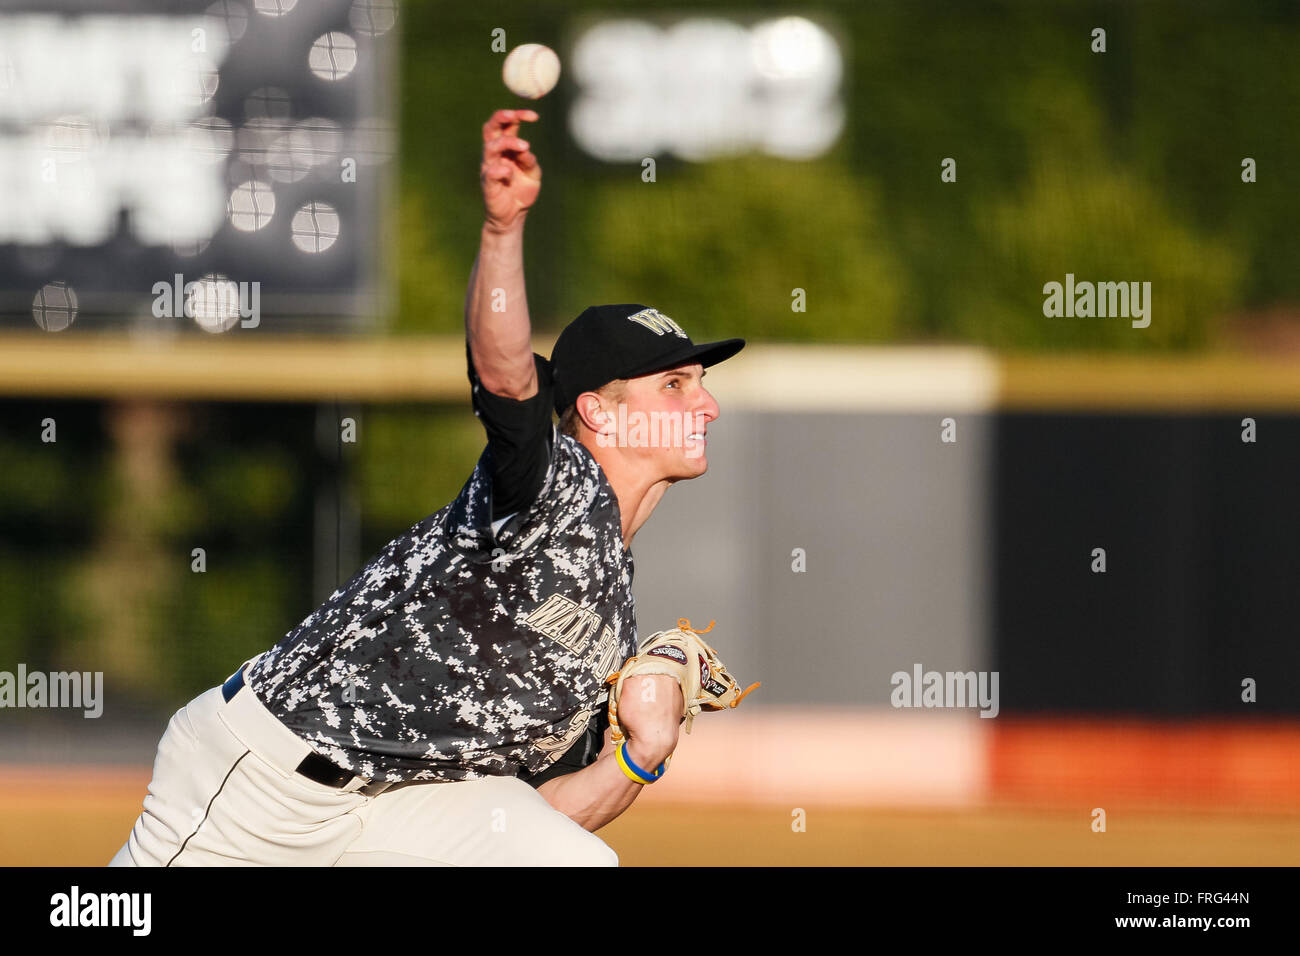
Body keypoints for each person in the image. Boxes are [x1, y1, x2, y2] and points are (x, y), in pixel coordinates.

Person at [108, 108, 744, 866]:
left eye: (700, 382)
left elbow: (533, 818)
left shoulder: (609, 612)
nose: (704, 403)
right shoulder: (550, 485)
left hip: (394, 818)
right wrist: (504, 231)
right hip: (266, 786)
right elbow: (505, 373)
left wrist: (642, 753)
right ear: (598, 412)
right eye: (674, 384)